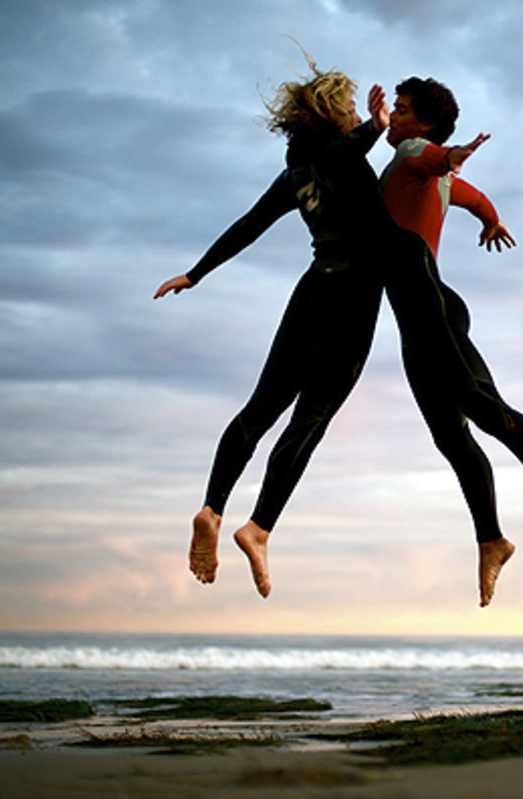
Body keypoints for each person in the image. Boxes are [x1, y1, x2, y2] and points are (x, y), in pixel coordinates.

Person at [154, 62, 395, 598]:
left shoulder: (298, 172)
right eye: (351, 108)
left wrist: (197, 272)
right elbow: (344, 154)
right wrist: (375, 129)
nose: (359, 113)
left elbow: (249, 223)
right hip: (350, 302)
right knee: (310, 419)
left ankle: (212, 509)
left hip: (309, 295)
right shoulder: (342, 156)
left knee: (260, 408)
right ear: (335, 117)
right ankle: (258, 527)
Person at [379, 77, 523, 607]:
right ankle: (492, 540)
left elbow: (435, 159)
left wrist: (455, 153)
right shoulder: (412, 166)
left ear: (423, 125)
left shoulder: (416, 154)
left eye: (403, 111)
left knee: (480, 409)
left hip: (430, 308)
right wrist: (492, 222)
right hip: (424, 315)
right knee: (451, 439)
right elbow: (475, 198)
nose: (396, 118)